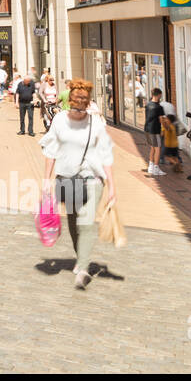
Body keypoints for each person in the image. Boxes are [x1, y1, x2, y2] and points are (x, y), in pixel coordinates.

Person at [40, 78, 117, 290]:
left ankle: (83, 267)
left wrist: (112, 187)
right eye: (75, 105)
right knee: (74, 222)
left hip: (92, 179)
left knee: (86, 222)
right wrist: (46, 180)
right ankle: (80, 257)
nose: (77, 109)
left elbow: (106, 155)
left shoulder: (97, 123)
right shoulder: (59, 121)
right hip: (67, 179)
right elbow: (50, 151)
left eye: (81, 106)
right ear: (70, 102)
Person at [143, 88, 167, 177]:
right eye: (161, 95)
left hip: (147, 129)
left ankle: (151, 166)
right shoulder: (159, 107)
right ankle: (156, 168)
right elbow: (161, 120)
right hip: (155, 130)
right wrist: (165, 128)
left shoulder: (148, 104)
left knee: (152, 147)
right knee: (158, 148)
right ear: (159, 95)